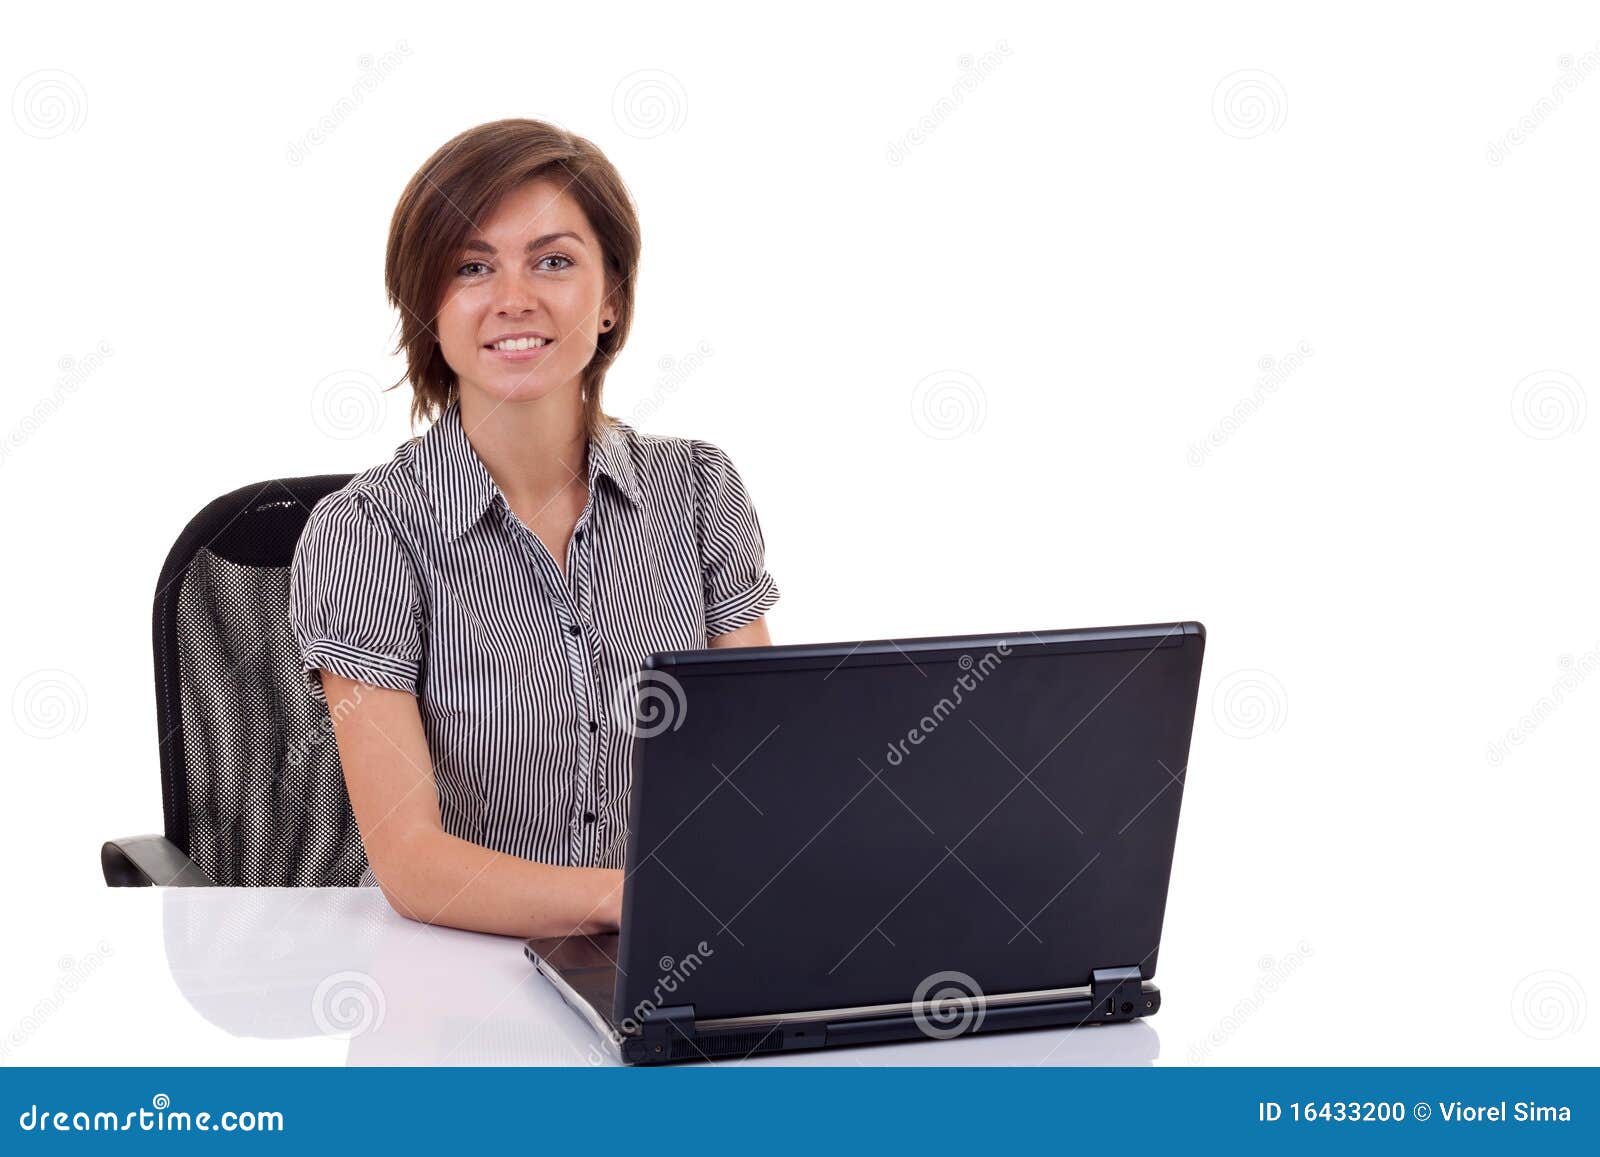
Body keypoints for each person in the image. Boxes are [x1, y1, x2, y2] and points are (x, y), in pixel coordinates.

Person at [289, 119, 780, 939]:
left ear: (611, 298)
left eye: (553, 260)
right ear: (427, 307)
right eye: (472, 267)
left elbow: (773, 765)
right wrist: (635, 899)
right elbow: (412, 865)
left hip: (689, 961)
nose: (514, 297)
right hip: (464, 988)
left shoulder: (698, 490)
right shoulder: (366, 534)